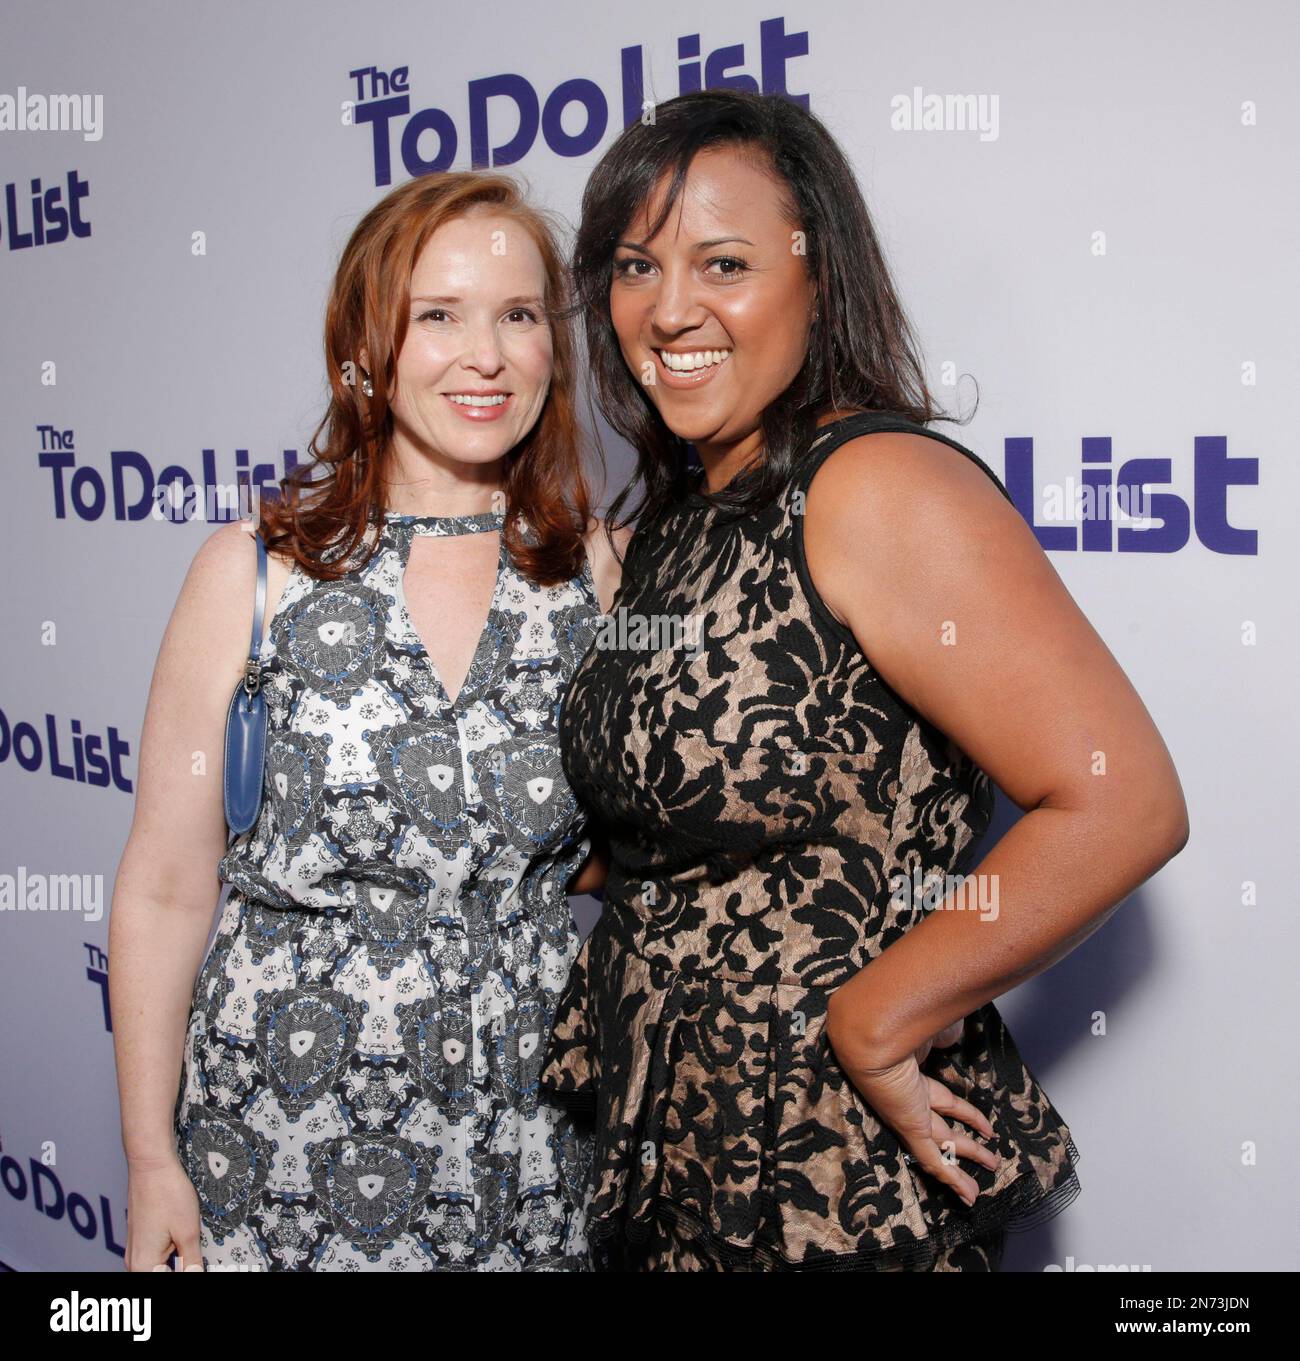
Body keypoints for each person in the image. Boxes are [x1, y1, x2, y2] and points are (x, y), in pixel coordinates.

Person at [539, 90, 1189, 1272]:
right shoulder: (684, 510)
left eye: (722, 263)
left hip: (824, 1174)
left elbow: (1121, 799)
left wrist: (880, 1015)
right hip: (670, 1153)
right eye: (634, 267)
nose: (670, 309)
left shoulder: (876, 485)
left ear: (816, 276)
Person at [109, 170, 627, 1271]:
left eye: (518, 316)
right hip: (279, 1139)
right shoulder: (254, 574)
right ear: (366, 349)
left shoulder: (596, 573)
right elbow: (163, 884)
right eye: (436, 315)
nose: (484, 355)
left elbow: (634, 851)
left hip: (527, 1142)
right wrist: (150, 1159)